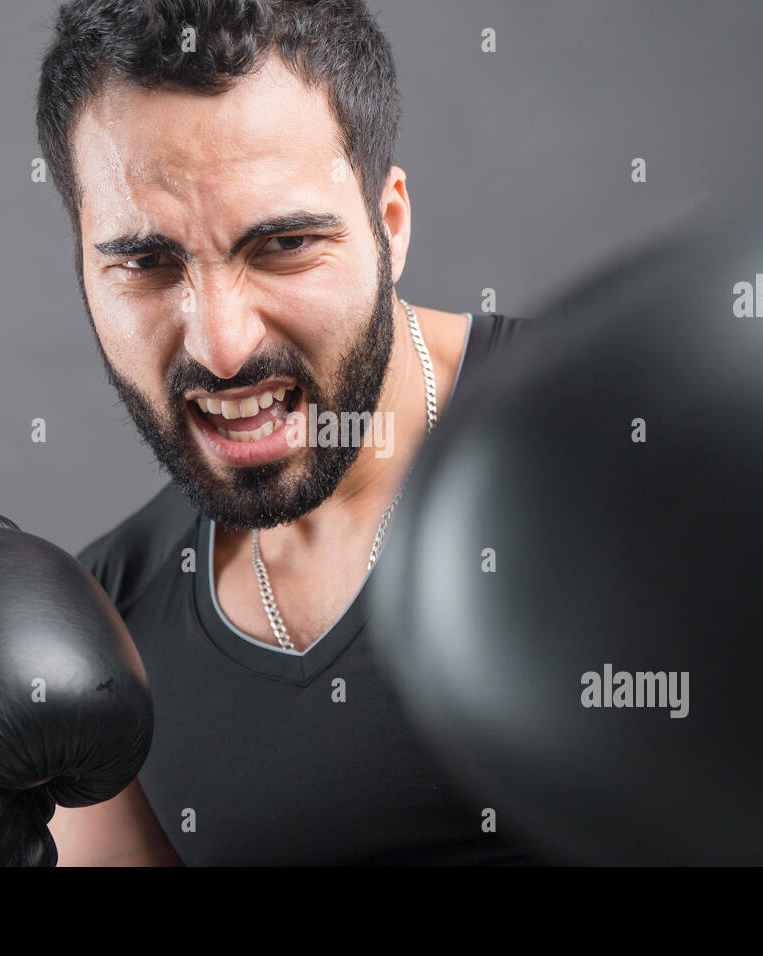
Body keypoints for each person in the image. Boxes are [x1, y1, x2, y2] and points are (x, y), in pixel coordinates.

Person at [37, 0, 537, 865]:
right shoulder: (102, 633)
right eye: (147, 263)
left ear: (390, 225)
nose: (223, 346)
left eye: (284, 244)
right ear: (84, 267)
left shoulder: (622, 448)